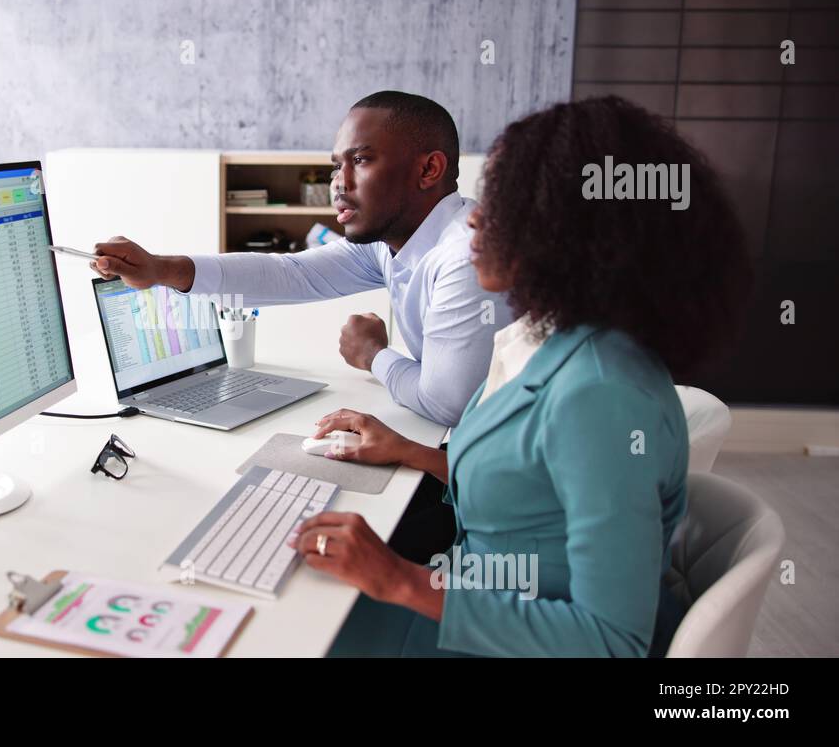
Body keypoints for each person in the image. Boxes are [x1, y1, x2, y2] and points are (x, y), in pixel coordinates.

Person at [288, 96, 753, 657]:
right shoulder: (550, 340)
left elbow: (611, 640)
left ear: (584, 233)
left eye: (506, 203)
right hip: (479, 592)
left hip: (503, 634)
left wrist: (398, 580)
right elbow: (532, 489)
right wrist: (412, 452)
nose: (477, 217)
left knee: (285, 626)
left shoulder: (602, 393)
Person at [91, 91, 513, 564]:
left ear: (429, 170)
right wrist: (161, 269)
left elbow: (446, 402)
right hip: (465, 463)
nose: (340, 183)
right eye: (337, 166)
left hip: (496, 496)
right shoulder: (396, 240)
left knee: (291, 537)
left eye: (361, 160)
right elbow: (292, 273)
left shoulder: (462, 256)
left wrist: (374, 354)